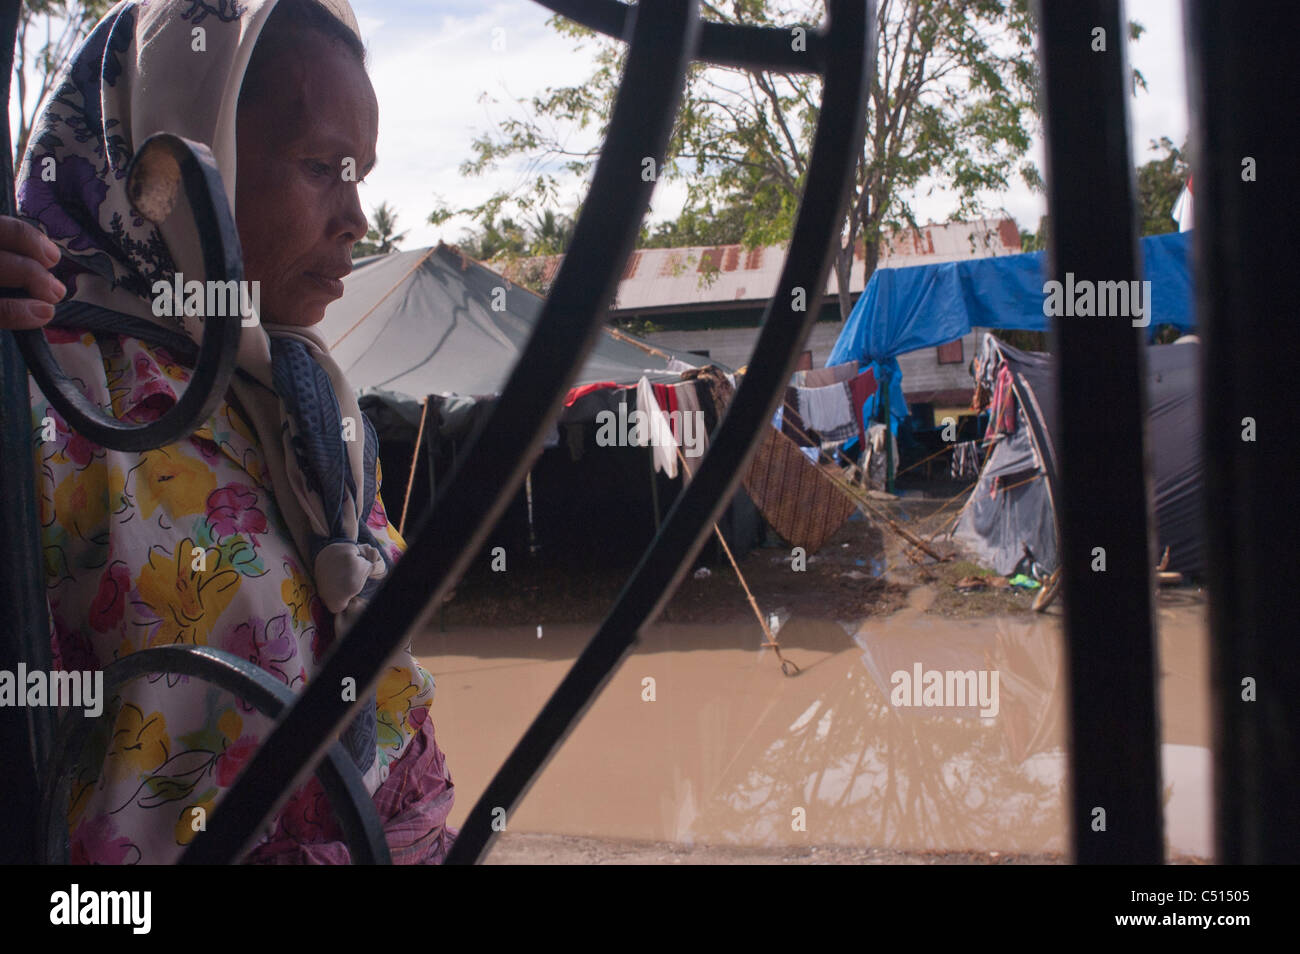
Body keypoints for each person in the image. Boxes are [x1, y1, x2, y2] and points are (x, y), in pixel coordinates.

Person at [1, 0, 456, 863]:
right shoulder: (49, 394)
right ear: (170, 170)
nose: (357, 217)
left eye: (359, 171)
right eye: (321, 165)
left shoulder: (305, 401)